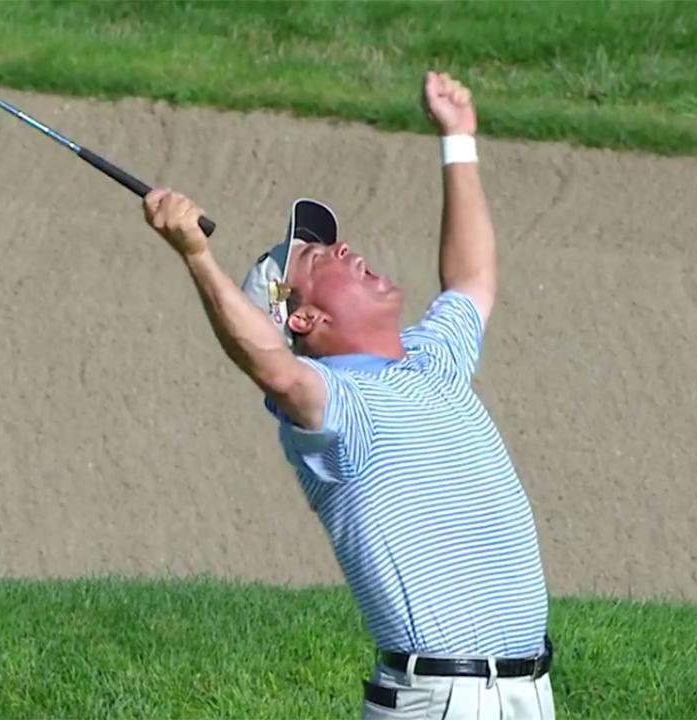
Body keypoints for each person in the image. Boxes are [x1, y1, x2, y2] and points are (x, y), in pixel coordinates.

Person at [142, 71, 553, 720]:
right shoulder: (339, 409)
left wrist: (458, 139)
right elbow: (276, 371)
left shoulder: (433, 359)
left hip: (526, 693)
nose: (342, 250)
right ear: (303, 317)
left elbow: (472, 279)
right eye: (316, 259)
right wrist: (196, 256)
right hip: (442, 703)